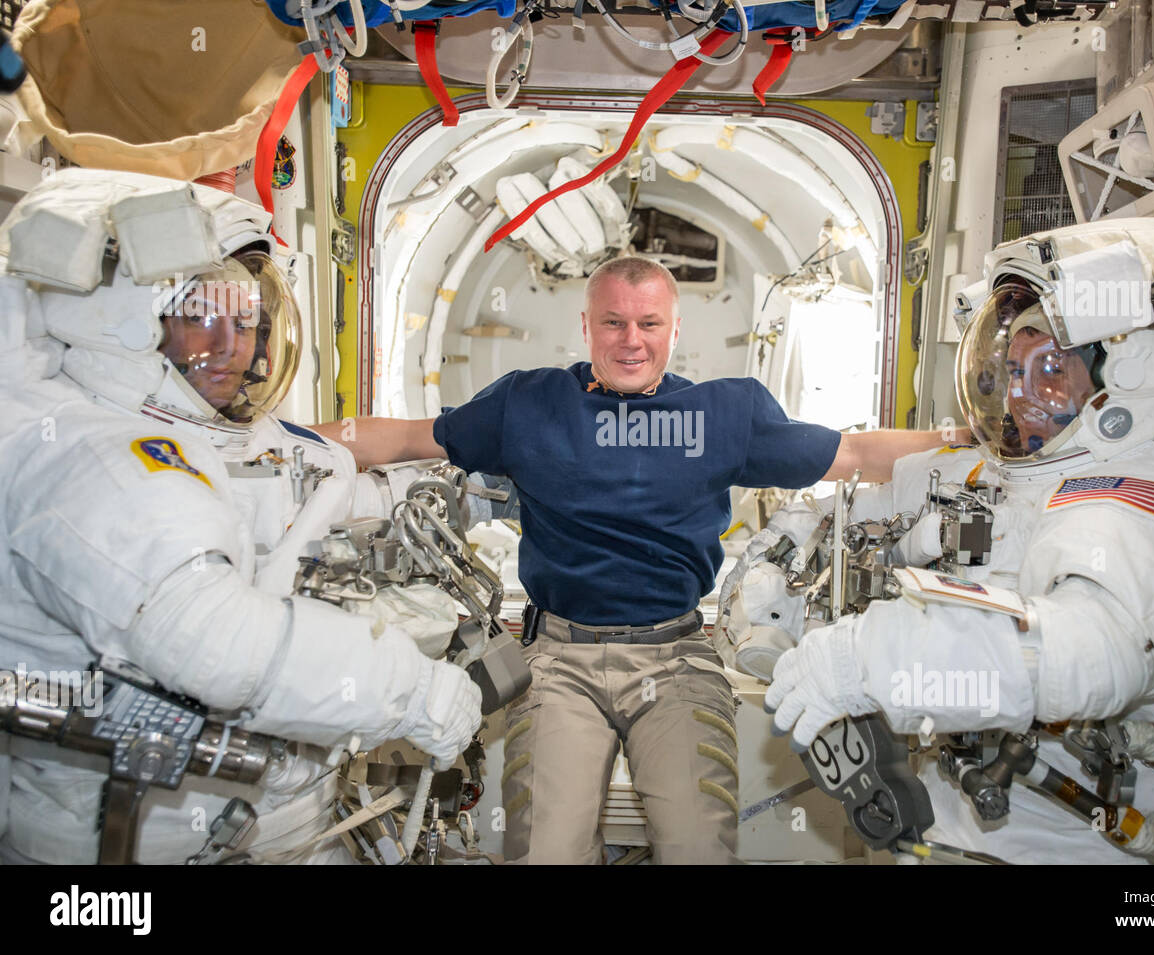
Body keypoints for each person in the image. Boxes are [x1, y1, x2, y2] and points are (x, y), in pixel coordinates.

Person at [316, 254, 962, 864]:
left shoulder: (720, 415)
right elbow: (403, 437)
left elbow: (850, 454)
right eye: (614, 322)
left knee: (698, 847)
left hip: (676, 656)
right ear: (586, 327)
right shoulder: (531, 406)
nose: (632, 340)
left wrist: (964, 443)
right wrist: (283, 444)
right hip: (559, 659)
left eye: (649, 323)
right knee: (545, 850)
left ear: (675, 329)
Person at [753, 218, 1154, 864]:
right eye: (1009, 368)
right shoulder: (1000, 472)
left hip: (1071, 845)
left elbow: (1080, 655)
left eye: (1047, 370)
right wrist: (776, 564)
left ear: (1123, 370)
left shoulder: (1153, 501)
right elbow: (864, 511)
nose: (1017, 394)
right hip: (955, 819)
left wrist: (866, 661)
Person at [0, 168, 481, 864]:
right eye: (200, 313)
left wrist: (458, 485)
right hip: (137, 848)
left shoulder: (227, 439)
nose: (233, 344)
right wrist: (416, 694)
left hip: (282, 820)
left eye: (248, 316)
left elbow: (331, 490)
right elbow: (218, 644)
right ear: (124, 320)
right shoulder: (95, 461)